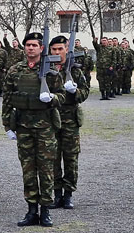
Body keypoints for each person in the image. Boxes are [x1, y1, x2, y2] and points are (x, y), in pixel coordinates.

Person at [2, 32, 65, 228]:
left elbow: (62, 97)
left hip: (45, 126)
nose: (30, 48)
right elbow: (7, 98)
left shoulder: (51, 71)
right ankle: (31, 210)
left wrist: (52, 99)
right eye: (28, 45)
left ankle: (45, 211)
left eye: (34, 45)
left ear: (41, 48)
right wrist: (7, 126)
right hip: (23, 127)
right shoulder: (15, 70)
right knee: (28, 170)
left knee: (46, 170)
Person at [48, 35, 89, 210]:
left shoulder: (75, 70)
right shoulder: (46, 69)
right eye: (54, 49)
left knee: (71, 158)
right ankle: (56, 193)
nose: (57, 52)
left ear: (67, 50)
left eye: (60, 49)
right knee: (53, 159)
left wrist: (75, 91)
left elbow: (85, 93)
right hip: (50, 119)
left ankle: (68, 194)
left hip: (70, 120)